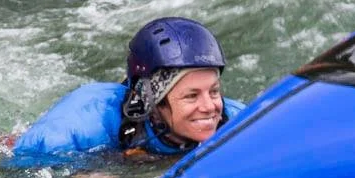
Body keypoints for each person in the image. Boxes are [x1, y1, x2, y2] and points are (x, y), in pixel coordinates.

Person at [12, 18, 244, 161]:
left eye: (214, 91)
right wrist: (77, 175)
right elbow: (20, 170)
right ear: (153, 98)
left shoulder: (238, 121)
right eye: (191, 95)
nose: (209, 107)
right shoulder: (81, 123)